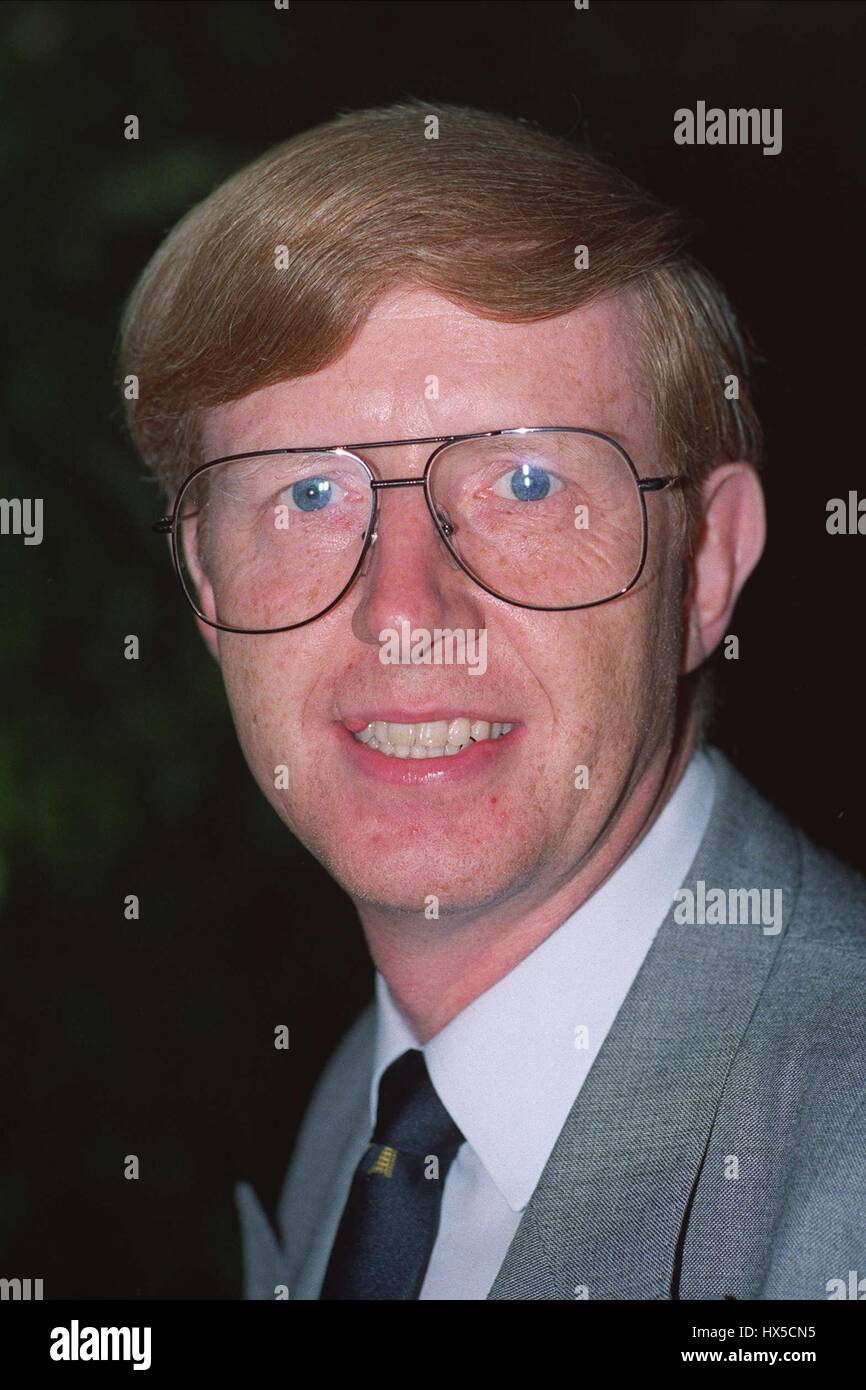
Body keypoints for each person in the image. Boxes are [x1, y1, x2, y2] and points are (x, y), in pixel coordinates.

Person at [118, 101, 866, 1301]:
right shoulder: (363, 1106)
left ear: (706, 565)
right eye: (305, 498)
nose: (404, 608)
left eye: (526, 480)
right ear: (206, 583)